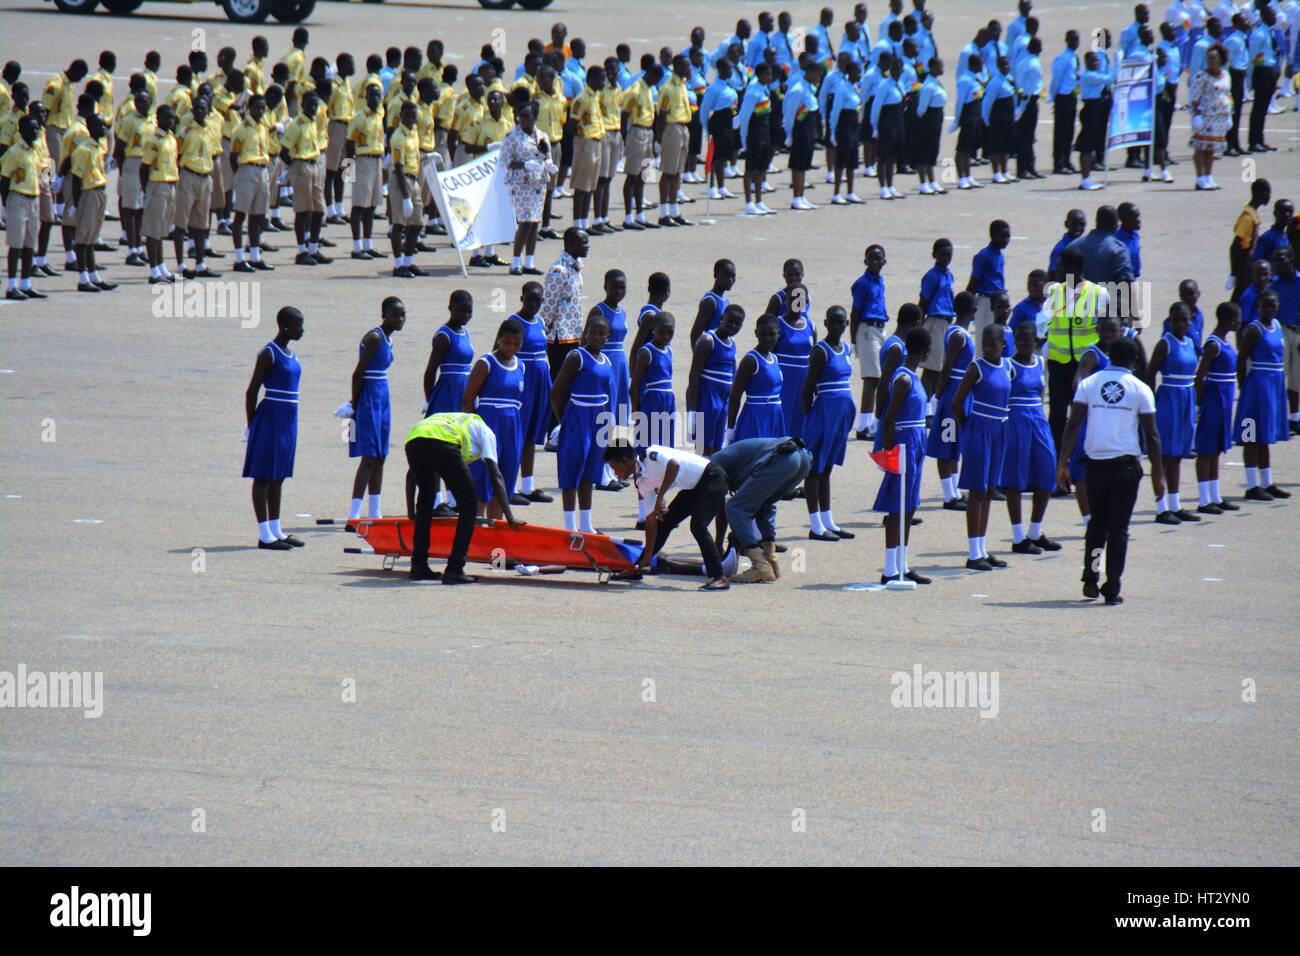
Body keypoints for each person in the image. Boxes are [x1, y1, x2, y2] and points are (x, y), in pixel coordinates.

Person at [1057, 336, 1165, 605]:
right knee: (1119, 530)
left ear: (1109, 355)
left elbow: (1072, 425)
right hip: (1126, 468)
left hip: (1096, 467)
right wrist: (1158, 477)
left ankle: (1090, 578)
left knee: (1097, 524)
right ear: (1134, 361)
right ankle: (1112, 585)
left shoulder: (1089, 384)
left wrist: (1062, 464)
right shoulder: (1140, 389)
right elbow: (1152, 436)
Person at [404, 411, 523, 585]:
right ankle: (455, 569)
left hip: (414, 439)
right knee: (469, 506)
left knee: (426, 502)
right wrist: (510, 517)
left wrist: (412, 512)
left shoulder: (456, 421)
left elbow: (410, 476)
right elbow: (496, 476)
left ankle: (418, 566)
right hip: (443, 443)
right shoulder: (487, 433)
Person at [603, 441, 733, 590]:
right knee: (664, 524)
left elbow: (674, 465)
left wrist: (660, 497)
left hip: (713, 477)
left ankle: (719, 577)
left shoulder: (651, 455)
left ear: (624, 461)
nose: (614, 474)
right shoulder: (642, 483)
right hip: (694, 486)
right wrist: (647, 556)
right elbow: (651, 521)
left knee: (698, 526)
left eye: (614, 468)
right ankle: (637, 567)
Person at [243, 307, 306, 551]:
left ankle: (276, 528)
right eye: (298, 324)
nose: (302, 329)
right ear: (285, 326)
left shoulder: (292, 353)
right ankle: (264, 535)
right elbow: (252, 391)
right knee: (263, 476)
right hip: (270, 417)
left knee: (279, 475)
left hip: (288, 418)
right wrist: (251, 426)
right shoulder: (269, 353)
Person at [338, 298, 404, 525]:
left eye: (403, 315)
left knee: (382, 456)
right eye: (395, 315)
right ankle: (354, 514)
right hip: (368, 398)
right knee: (369, 457)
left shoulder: (389, 338)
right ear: (384, 314)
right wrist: (353, 405)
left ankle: (375, 511)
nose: (400, 320)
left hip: (382, 396)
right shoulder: (375, 338)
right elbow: (358, 374)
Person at [713, 435, 814, 583]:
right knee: (764, 505)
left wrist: (718, 544)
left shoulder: (712, 466)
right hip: (802, 457)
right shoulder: (721, 461)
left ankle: (760, 566)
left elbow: (723, 505)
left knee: (735, 508)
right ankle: (771, 561)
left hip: (782, 457)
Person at [875, 326, 933, 583]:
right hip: (905, 444)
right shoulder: (904, 379)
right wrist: (891, 453)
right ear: (926, 352)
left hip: (916, 442)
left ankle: (903, 565)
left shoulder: (913, 377)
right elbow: (889, 419)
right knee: (898, 507)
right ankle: (890, 570)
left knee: (909, 506)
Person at [952, 325, 1012, 569]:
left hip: (1000, 429)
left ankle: (983, 549)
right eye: (985, 343)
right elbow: (957, 403)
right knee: (977, 491)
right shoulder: (977, 367)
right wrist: (969, 428)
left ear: (1003, 345)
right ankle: (973, 553)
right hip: (980, 429)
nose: (988, 347)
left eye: (993, 343)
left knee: (989, 490)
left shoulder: (1008, 367)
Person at [551, 311, 614, 532]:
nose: (598, 337)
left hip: (599, 420)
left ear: (608, 337)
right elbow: (556, 391)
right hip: (578, 416)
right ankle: (570, 527)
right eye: (594, 333)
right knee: (572, 471)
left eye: (602, 334)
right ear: (585, 334)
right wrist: (564, 422)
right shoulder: (576, 357)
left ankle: (586, 525)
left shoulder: (606, 361)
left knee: (590, 471)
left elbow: (608, 394)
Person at [1000, 320, 1061, 552]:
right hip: (1016, 422)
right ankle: (1018, 537)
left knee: (1046, 475)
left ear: (1037, 339)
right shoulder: (1008, 365)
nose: (1025, 343)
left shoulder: (1041, 362)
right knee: (1015, 480)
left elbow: (1041, 393)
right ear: (1015, 339)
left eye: (1029, 338)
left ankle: (1035, 531)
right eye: (1021, 338)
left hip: (1038, 420)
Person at [802, 306, 856, 541]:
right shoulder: (820, 351)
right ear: (825, 323)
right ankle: (815, 525)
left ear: (846, 324)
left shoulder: (845, 349)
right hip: (824, 415)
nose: (837, 327)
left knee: (828, 468)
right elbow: (807, 390)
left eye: (841, 323)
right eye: (832, 322)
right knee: (815, 469)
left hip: (841, 416)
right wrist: (812, 417)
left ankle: (828, 519)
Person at [462, 319, 526, 516]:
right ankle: (475, 527)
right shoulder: (486, 363)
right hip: (488, 425)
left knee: (505, 478)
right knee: (483, 479)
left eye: (516, 344)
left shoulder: (521, 366)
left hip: (512, 427)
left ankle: (494, 531)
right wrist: (472, 433)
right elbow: (468, 400)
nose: (511, 348)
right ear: (499, 339)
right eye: (507, 343)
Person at [1234, 289, 1291, 500]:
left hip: (1273, 387)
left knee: (1265, 436)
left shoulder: (1277, 326)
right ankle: (1251, 485)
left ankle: (1266, 482)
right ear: (1258, 307)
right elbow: (1241, 359)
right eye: (1265, 305)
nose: (1269, 309)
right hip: (1257, 387)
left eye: (1272, 305)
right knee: (1251, 435)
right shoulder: (1254, 330)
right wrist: (1244, 386)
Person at [1147, 302, 1201, 523]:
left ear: (1190, 321)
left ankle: (1175, 505)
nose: (1180, 324)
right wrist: (1150, 404)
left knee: (1178, 455)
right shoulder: (1165, 344)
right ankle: (1161, 508)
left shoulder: (1190, 342)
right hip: (1169, 398)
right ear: (1169, 321)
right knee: (1164, 456)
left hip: (1186, 397)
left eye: (1184, 320)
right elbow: (1150, 374)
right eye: (1176, 320)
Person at [928, 290, 977, 509]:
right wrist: (939, 395)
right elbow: (946, 367)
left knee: (954, 443)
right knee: (947, 443)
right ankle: (949, 496)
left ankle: (955, 491)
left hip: (960, 392)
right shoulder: (958, 335)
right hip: (954, 393)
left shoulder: (961, 333)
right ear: (972, 310)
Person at [1192, 301, 1242, 514]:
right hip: (1213, 401)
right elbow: (1200, 376)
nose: (1240, 322)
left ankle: (1215, 496)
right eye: (1238, 318)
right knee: (1206, 449)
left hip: (1223, 401)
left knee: (1216, 450)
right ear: (1230, 320)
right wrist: (1199, 405)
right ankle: (1204, 500)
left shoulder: (1224, 341)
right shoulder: (1213, 345)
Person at [540, 228, 589, 442]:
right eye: (583, 242)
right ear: (569, 243)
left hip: (573, 335)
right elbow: (549, 306)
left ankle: (560, 427)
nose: (587, 246)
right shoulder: (558, 271)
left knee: (569, 384)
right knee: (559, 384)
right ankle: (553, 430)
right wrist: (545, 332)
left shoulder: (576, 266)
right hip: (560, 337)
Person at [511, 282, 554, 504]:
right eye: (529, 299)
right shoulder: (513, 322)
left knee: (532, 435)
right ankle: (509, 486)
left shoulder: (540, 322)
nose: (534, 304)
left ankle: (527, 486)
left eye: (538, 300)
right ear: (522, 299)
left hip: (540, 382)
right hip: (522, 382)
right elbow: (499, 352)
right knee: (518, 434)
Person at [501, 101, 551, 276]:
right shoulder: (512, 137)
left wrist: (549, 164)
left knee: (534, 222)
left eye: (527, 116)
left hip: (538, 184)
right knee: (525, 222)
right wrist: (524, 164)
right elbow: (505, 161)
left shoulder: (542, 136)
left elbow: (547, 157)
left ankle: (529, 262)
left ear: (535, 117)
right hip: (521, 183)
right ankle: (516, 262)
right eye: (520, 116)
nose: (523, 119)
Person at [688, 303, 744, 455]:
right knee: (703, 444)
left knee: (718, 445)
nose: (733, 325)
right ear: (721, 318)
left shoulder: (732, 343)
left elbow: (733, 373)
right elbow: (694, 375)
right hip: (708, 395)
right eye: (729, 321)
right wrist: (693, 411)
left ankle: (713, 475)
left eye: (737, 324)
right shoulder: (707, 340)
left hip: (723, 398)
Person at [1, 115, 45, 300]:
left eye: (36, 128)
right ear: (21, 131)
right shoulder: (14, 152)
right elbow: (4, 179)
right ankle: (11, 285)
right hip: (17, 198)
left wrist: (50, 182)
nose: (34, 132)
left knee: (29, 244)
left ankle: (25, 283)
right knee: (16, 244)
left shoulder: (36, 150)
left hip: (33, 199)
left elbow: (45, 166)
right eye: (30, 128)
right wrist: (4, 205)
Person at [851, 244, 889, 439]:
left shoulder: (880, 280)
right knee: (871, 378)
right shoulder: (863, 283)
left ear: (884, 261)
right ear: (865, 261)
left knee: (878, 377)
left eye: (878, 258)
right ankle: (863, 425)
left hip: (879, 329)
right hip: (866, 330)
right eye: (871, 258)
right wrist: (853, 341)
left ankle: (870, 423)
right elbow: (855, 311)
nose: (875, 262)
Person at [729, 313, 785, 443]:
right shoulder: (751, 360)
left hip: (774, 415)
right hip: (755, 416)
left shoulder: (774, 358)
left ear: (779, 333)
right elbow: (735, 395)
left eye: (771, 334)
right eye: (762, 334)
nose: (767, 339)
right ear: (756, 333)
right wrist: (730, 428)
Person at [917, 238, 956, 402]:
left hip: (946, 323)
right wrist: (919, 327)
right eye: (943, 255)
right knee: (931, 369)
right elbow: (923, 302)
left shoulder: (949, 275)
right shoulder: (931, 276)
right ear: (934, 255)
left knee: (940, 368)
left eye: (949, 255)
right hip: (935, 322)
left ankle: (932, 405)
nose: (947, 258)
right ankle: (925, 407)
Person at [1188, 44, 1232, 189]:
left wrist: (1229, 113)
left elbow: (1228, 94)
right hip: (1205, 117)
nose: (1211, 61)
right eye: (1209, 58)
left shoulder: (1226, 75)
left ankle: (1208, 177)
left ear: (1221, 59)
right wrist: (1197, 116)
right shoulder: (1202, 76)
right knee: (1201, 147)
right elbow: (1194, 97)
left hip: (1219, 118)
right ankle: (1200, 178)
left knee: (1211, 148)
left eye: (1214, 58)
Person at [1230, 178, 1270, 301]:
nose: (1269, 197)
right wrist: (1234, 272)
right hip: (1244, 264)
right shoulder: (1247, 217)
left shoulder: (1253, 213)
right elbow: (1235, 245)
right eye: (1268, 193)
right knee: (1240, 297)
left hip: (1248, 264)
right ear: (1261, 193)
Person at [969, 220, 1011, 337]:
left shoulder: (999, 255)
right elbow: (973, 282)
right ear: (992, 236)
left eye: (1008, 237)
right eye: (1002, 236)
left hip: (998, 302)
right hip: (986, 302)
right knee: (984, 339)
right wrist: (969, 306)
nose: (1006, 240)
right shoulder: (983, 256)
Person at [1050, 30, 1082, 175]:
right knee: (1061, 132)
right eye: (1072, 40)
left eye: (1077, 40)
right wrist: (1053, 96)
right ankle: (1059, 163)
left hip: (1071, 97)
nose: (1075, 43)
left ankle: (1067, 160)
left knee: (1069, 131)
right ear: (1067, 41)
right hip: (1062, 97)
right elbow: (1056, 79)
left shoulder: (1075, 57)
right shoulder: (1062, 58)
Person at [688, 258, 736, 346]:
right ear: (716, 274)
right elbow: (695, 334)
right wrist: (698, 357)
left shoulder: (726, 301)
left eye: (733, 276)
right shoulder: (710, 301)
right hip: (711, 351)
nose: (730, 279)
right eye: (726, 275)